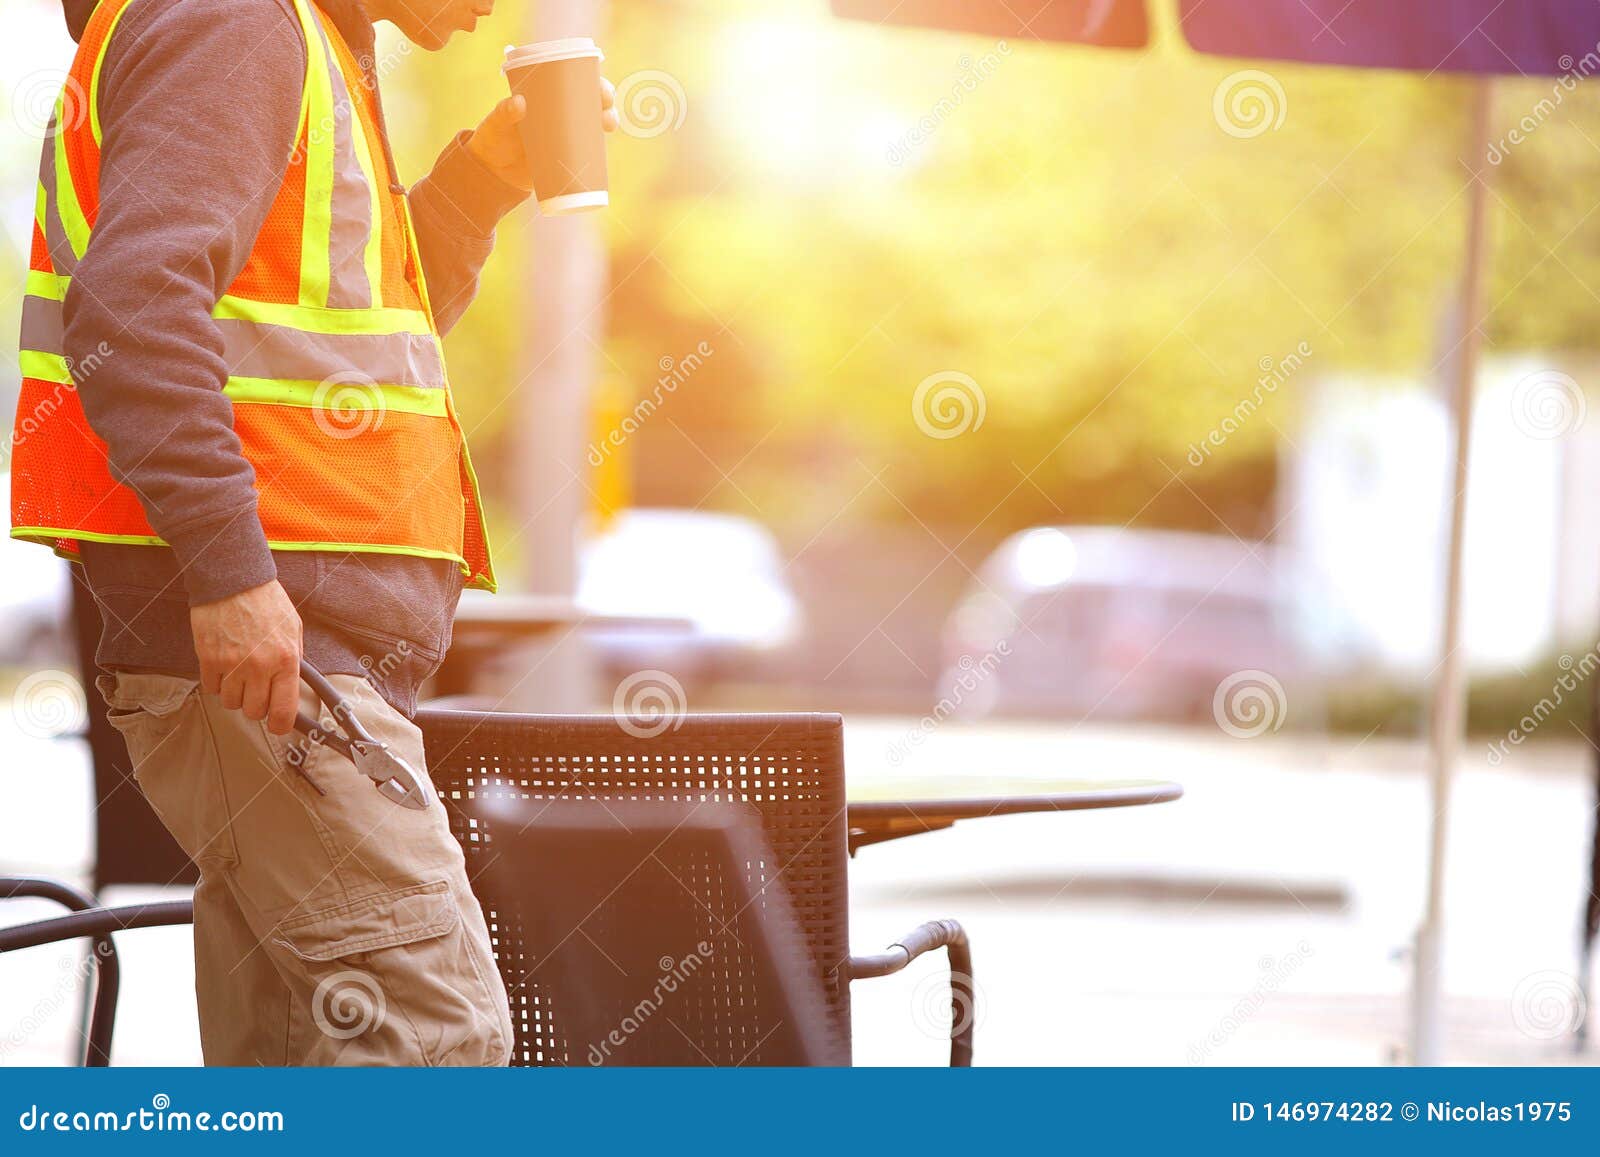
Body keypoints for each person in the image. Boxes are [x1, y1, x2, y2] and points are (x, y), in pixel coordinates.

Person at [10, 0, 617, 1065]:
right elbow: (137, 305)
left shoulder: (301, 40)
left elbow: (339, 340)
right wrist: (228, 572)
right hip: (284, 663)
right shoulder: (235, 24)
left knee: (300, 1057)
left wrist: (483, 177)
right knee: (436, 1044)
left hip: (293, 663)